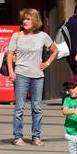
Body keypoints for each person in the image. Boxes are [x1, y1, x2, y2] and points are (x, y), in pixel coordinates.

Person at [8, 8, 57, 146]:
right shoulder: (16, 36)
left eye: (28, 19)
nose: (25, 21)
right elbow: (10, 54)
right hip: (21, 74)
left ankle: (36, 136)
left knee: (37, 107)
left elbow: (55, 50)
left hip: (37, 76)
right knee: (19, 107)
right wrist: (12, 72)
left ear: (35, 21)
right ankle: (18, 136)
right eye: (24, 19)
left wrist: (47, 63)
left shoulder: (42, 35)